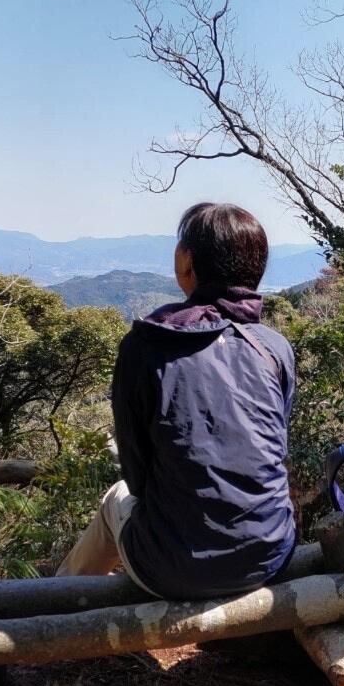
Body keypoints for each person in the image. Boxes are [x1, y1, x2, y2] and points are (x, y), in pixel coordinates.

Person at [57, 203, 297, 598]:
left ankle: (59, 605)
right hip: (270, 556)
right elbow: (274, 448)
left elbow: (136, 478)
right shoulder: (274, 348)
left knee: (114, 499)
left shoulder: (146, 347)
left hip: (172, 569)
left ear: (185, 262)